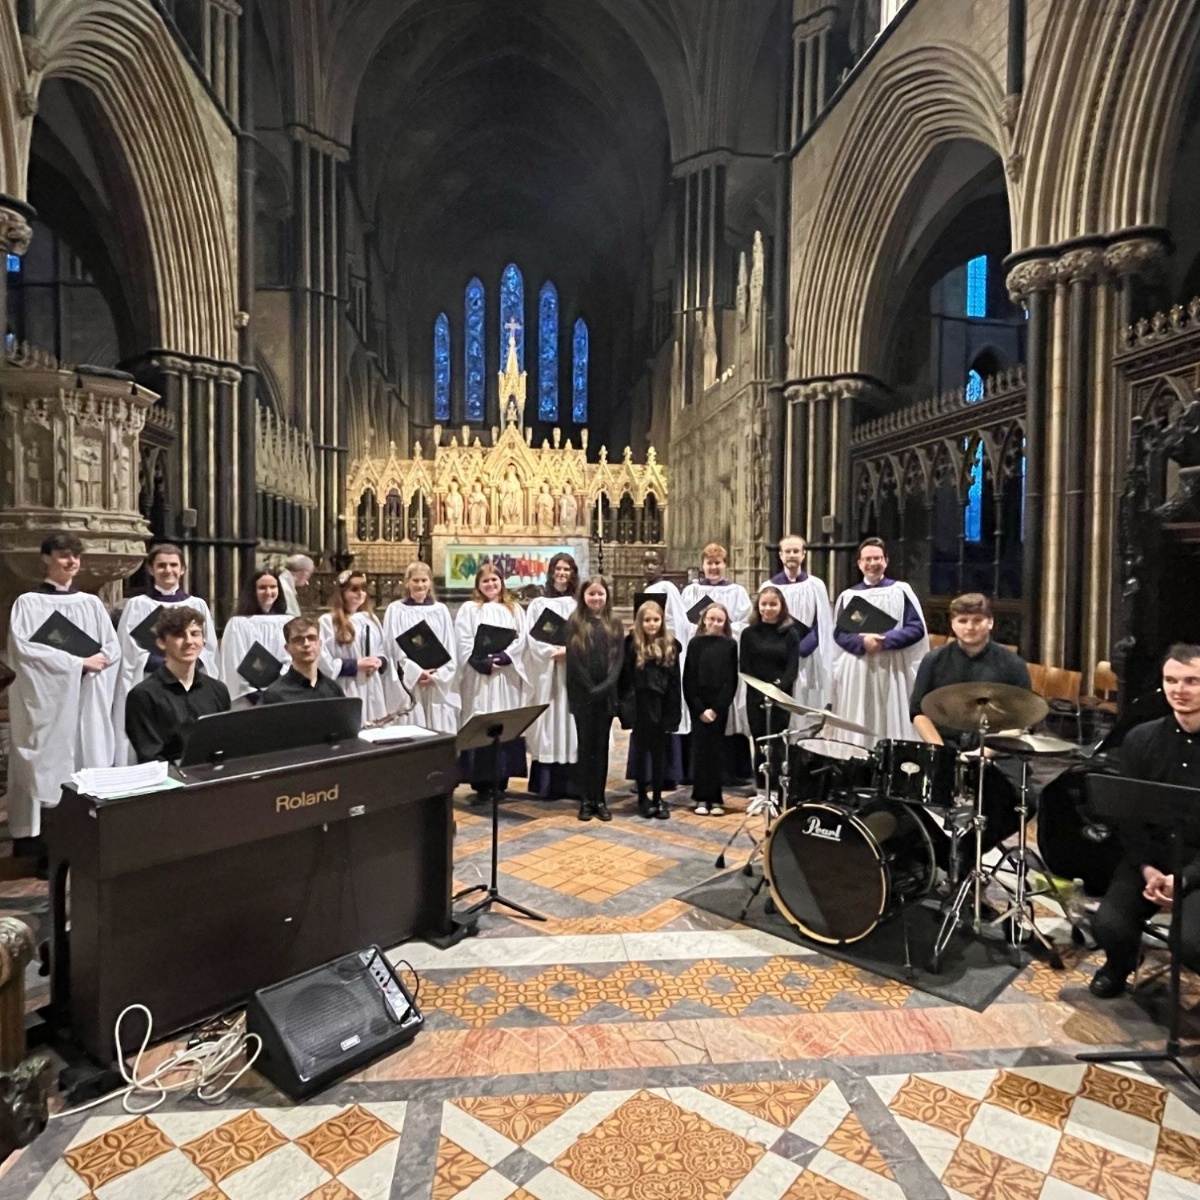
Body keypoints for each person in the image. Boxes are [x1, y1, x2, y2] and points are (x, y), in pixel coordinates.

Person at [1089, 645, 1200, 998]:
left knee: (1192, 944)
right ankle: (1119, 964)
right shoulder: (1140, 738)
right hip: (1153, 857)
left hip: (1198, 863)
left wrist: (1185, 878)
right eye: (1171, 680)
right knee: (1109, 925)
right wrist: (1148, 869)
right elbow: (1129, 816)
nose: (1179, 690)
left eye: (1192, 681)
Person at [6, 532, 121, 860]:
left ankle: (83, 839)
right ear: (46, 558)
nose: (71, 562)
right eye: (63, 555)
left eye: (76, 556)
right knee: (44, 763)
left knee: (86, 756)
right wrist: (76, 663)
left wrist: (98, 662)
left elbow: (111, 647)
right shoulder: (28, 603)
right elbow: (23, 652)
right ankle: (41, 845)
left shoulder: (91, 603)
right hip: (47, 702)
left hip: (85, 695)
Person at [111, 543, 220, 765]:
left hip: (188, 686)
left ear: (182, 569)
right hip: (150, 684)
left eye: (173, 565)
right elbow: (126, 651)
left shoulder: (196, 605)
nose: (168, 570)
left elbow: (209, 649)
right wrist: (161, 662)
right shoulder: (137, 605)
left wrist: (184, 661)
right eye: (161, 565)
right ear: (150, 569)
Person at [830, 537, 929, 746]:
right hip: (859, 667)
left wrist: (885, 641)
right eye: (867, 559)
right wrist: (862, 641)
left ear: (886, 561)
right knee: (860, 713)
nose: (872, 563)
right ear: (859, 563)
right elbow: (840, 633)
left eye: (877, 558)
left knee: (889, 714)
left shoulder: (900, 591)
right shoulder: (848, 596)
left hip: (892, 665)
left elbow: (916, 628)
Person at [910, 593, 1031, 748]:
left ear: (990, 622)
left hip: (997, 750)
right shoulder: (932, 660)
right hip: (944, 746)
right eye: (962, 621)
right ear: (952, 624)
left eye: (977, 620)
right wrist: (940, 750)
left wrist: (987, 751)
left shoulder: (1013, 664)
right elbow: (918, 712)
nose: (970, 627)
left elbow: (1021, 718)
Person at [454, 564, 529, 803]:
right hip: (480, 678)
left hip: (506, 677)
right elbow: (463, 639)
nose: (490, 585)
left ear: (501, 582)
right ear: (478, 584)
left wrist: (506, 657)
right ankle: (481, 783)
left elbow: (522, 639)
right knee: (481, 719)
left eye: (494, 580)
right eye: (485, 581)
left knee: (504, 720)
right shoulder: (470, 609)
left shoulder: (514, 609)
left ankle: (502, 780)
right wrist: (481, 662)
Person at [682, 542, 755, 778]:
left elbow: (744, 624)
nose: (713, 567)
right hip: (699, 659)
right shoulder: (691, 592)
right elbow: (684, 624)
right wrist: (701, 631)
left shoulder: (737, 592)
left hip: (725, 658)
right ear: (702, 565)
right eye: (709, 563)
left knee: (726, 709)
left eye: (718, 563)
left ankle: (732, 771)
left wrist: (722, 630)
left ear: (725, 565)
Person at [124, 606, 231, 762]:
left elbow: (225, 744)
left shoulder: (218, 690)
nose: (189, 641)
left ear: (203, 641)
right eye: (179, 634)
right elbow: (151, 757)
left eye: (195, 634)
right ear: (161, 642)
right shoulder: (143, 696)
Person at [565, 576, 625, 822]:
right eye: (592, 594)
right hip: (583, 695)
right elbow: (574, 660)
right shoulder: (574, 621)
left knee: (601, 749)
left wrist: (607, 685)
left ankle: (600, 799)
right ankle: (585, 800)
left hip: (606, 696)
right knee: (585, 747)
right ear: (583, 596)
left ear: (606, 596)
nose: (596, 598)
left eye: (600, 593)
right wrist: (590, 687)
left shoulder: (614, 622)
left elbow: (619, 658)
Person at [523, 553, 580, 800]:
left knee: (571, 722)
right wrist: (550, 652)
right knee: (549, 721)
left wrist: (570, 651)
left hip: (573, 670)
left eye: (567, 569)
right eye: (558, 568)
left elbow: (587, 633)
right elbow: (531, 638)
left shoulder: (579, 603)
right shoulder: (538, 604)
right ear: (551, 571)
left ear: (573, 572)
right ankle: (548, 784)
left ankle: (573, 784)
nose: (562, 573)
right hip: (548, 672)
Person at [619, 601, 682, 819]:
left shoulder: (670, 644)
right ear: (640, 622)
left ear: (662, 621)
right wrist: (626, 710)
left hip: (661, 706)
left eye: (656, 619)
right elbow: (625, 679)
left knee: (659, 754)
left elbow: (674, 682)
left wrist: (674, 713)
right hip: (640, 706)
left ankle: (657, 797)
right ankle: (642, 797)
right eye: (647, 620)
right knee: (641, 753)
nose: (652, 624)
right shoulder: (631, 644)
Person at [381, 561, 460, 733]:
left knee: (437, 728)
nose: (420, 585)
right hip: (408, 683)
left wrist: (438, 675)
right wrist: (415, 672)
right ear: (407, 582)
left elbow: (449, 646)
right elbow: (392, 647)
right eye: (415, 580)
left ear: (430, 582)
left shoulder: (440, 610)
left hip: (435, 682)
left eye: (424, 580)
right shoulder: (396, 610)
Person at [739, 587, 802, 798]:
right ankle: (761, 790)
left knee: (777, 743)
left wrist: (778, 689)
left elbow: (792, 668)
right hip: (755, 696)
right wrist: (760, 691)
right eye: (764, 604)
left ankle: (776, 791)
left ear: (781, 606)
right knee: (759, 742)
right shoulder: (749, 634)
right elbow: (745, 667)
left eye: (773, 604)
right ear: (758, 606)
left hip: (781, 696)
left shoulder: (790, 633)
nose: (768, 608)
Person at [682, 603, 739, 816]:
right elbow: (689, 678)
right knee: (700, 751)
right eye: (711, 619)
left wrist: (716, 708)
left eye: (719, 620)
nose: (715, 623)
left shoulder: (730, 645)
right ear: (704, 620)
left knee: (716, 752)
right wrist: (699, 709)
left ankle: (715, 798)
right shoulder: (695, 644)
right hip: (698, 706)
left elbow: (730, 680)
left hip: (718, 707)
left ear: (725, 623)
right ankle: (700, 797)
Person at [767, 534, 832, 715]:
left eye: (796, 551)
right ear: (781, 555)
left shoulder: (816, 585)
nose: (792, 555)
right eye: (787, 551)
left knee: (807, 704)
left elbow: (823, 622)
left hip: (807, 655)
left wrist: (801, 648)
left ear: (803, 554)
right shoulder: (769, 587)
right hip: (779, 656)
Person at [319, 570, 388, 722]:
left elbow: (382, 647)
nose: (360, 593)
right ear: (342, 593)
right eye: (354, 589)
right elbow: (323, 658)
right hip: (347, 684)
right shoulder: (328, 621)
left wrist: (379, 661)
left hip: (371, 683)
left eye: (363, 589)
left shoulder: (371, 619)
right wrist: (355, 665)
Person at [218, 570, 290, 707]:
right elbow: (232, 660)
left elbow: (292, 658)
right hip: (247, 700)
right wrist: (253, 694)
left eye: (273, 587)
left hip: (282, 696)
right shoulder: (238, 623)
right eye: (262, 587)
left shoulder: (288, 622)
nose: (268, 592)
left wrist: (277, 689)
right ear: (252, 591)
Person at [261, 616, 345, 704]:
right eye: (298, 640)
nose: (306, 644)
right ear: (287, 648)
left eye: (311, 638)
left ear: (319, 644)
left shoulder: (334, 690)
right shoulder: (275, 695)